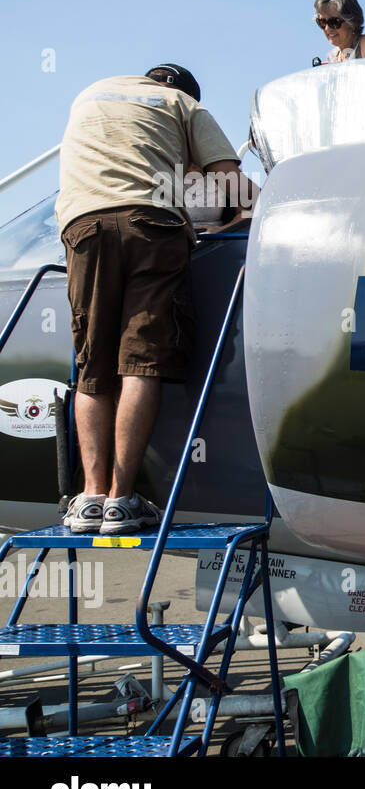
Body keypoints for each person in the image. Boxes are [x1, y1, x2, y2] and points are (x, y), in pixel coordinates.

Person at [55, 65, 258, 534]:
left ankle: (89, 498)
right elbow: (229, 180)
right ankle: (122, 501)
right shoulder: (183, 104)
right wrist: (249, 213)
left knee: (93, 366)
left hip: (82, 227)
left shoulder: (91, 93)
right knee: (139, 363)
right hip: (152, 225)